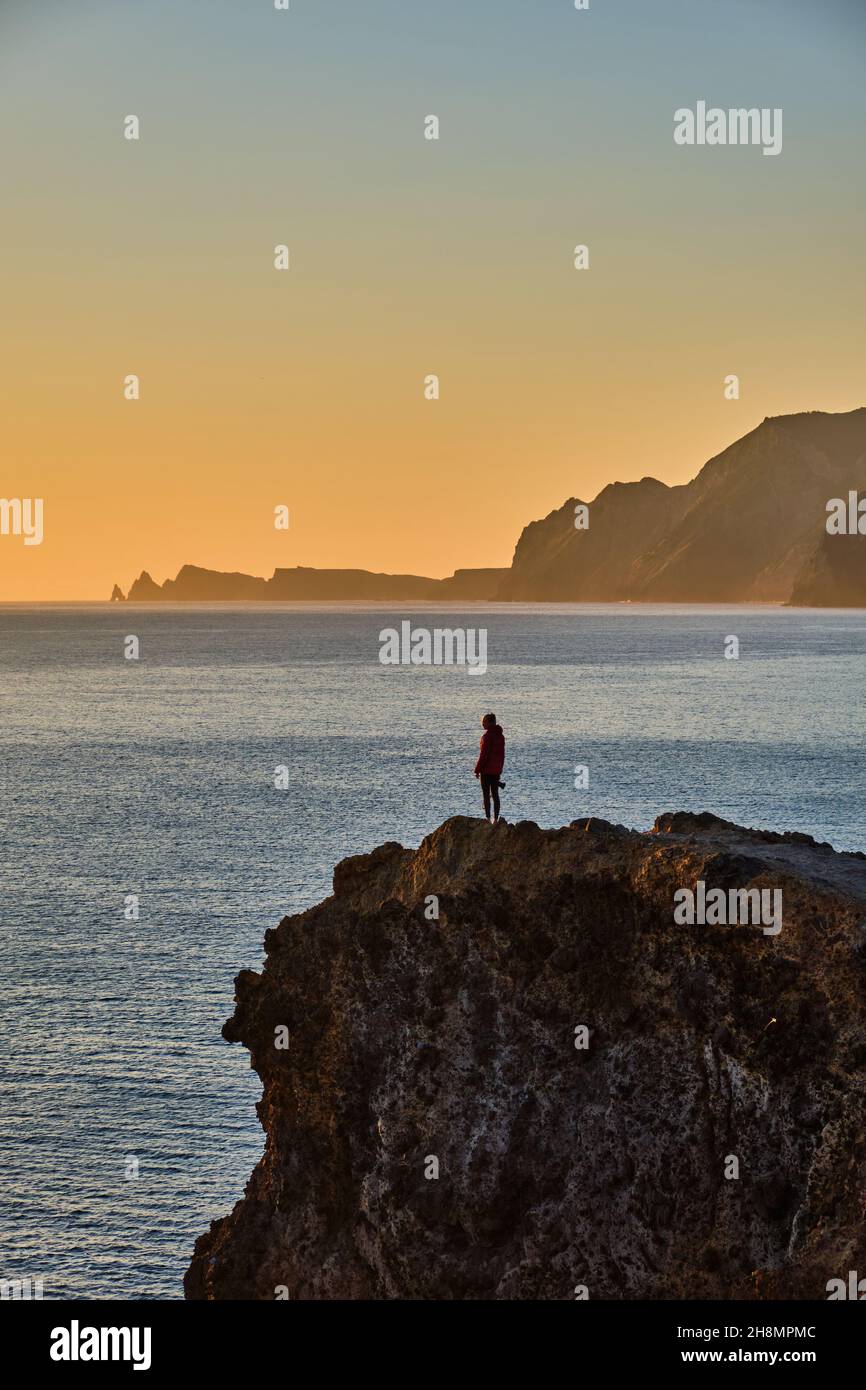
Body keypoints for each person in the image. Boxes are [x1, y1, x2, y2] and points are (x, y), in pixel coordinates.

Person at [474, 713, 505, 823]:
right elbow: (502, 755)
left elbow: (483, 755)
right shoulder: (500, 736)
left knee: (486, 795)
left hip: (486, 770)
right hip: (496, 770)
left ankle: (487, 819)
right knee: (495, 795)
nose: (482, 723)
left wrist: (477, 770)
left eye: (484, 721)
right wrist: (500, 769)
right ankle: (496, 819)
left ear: (490, 722)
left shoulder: (486, 737)